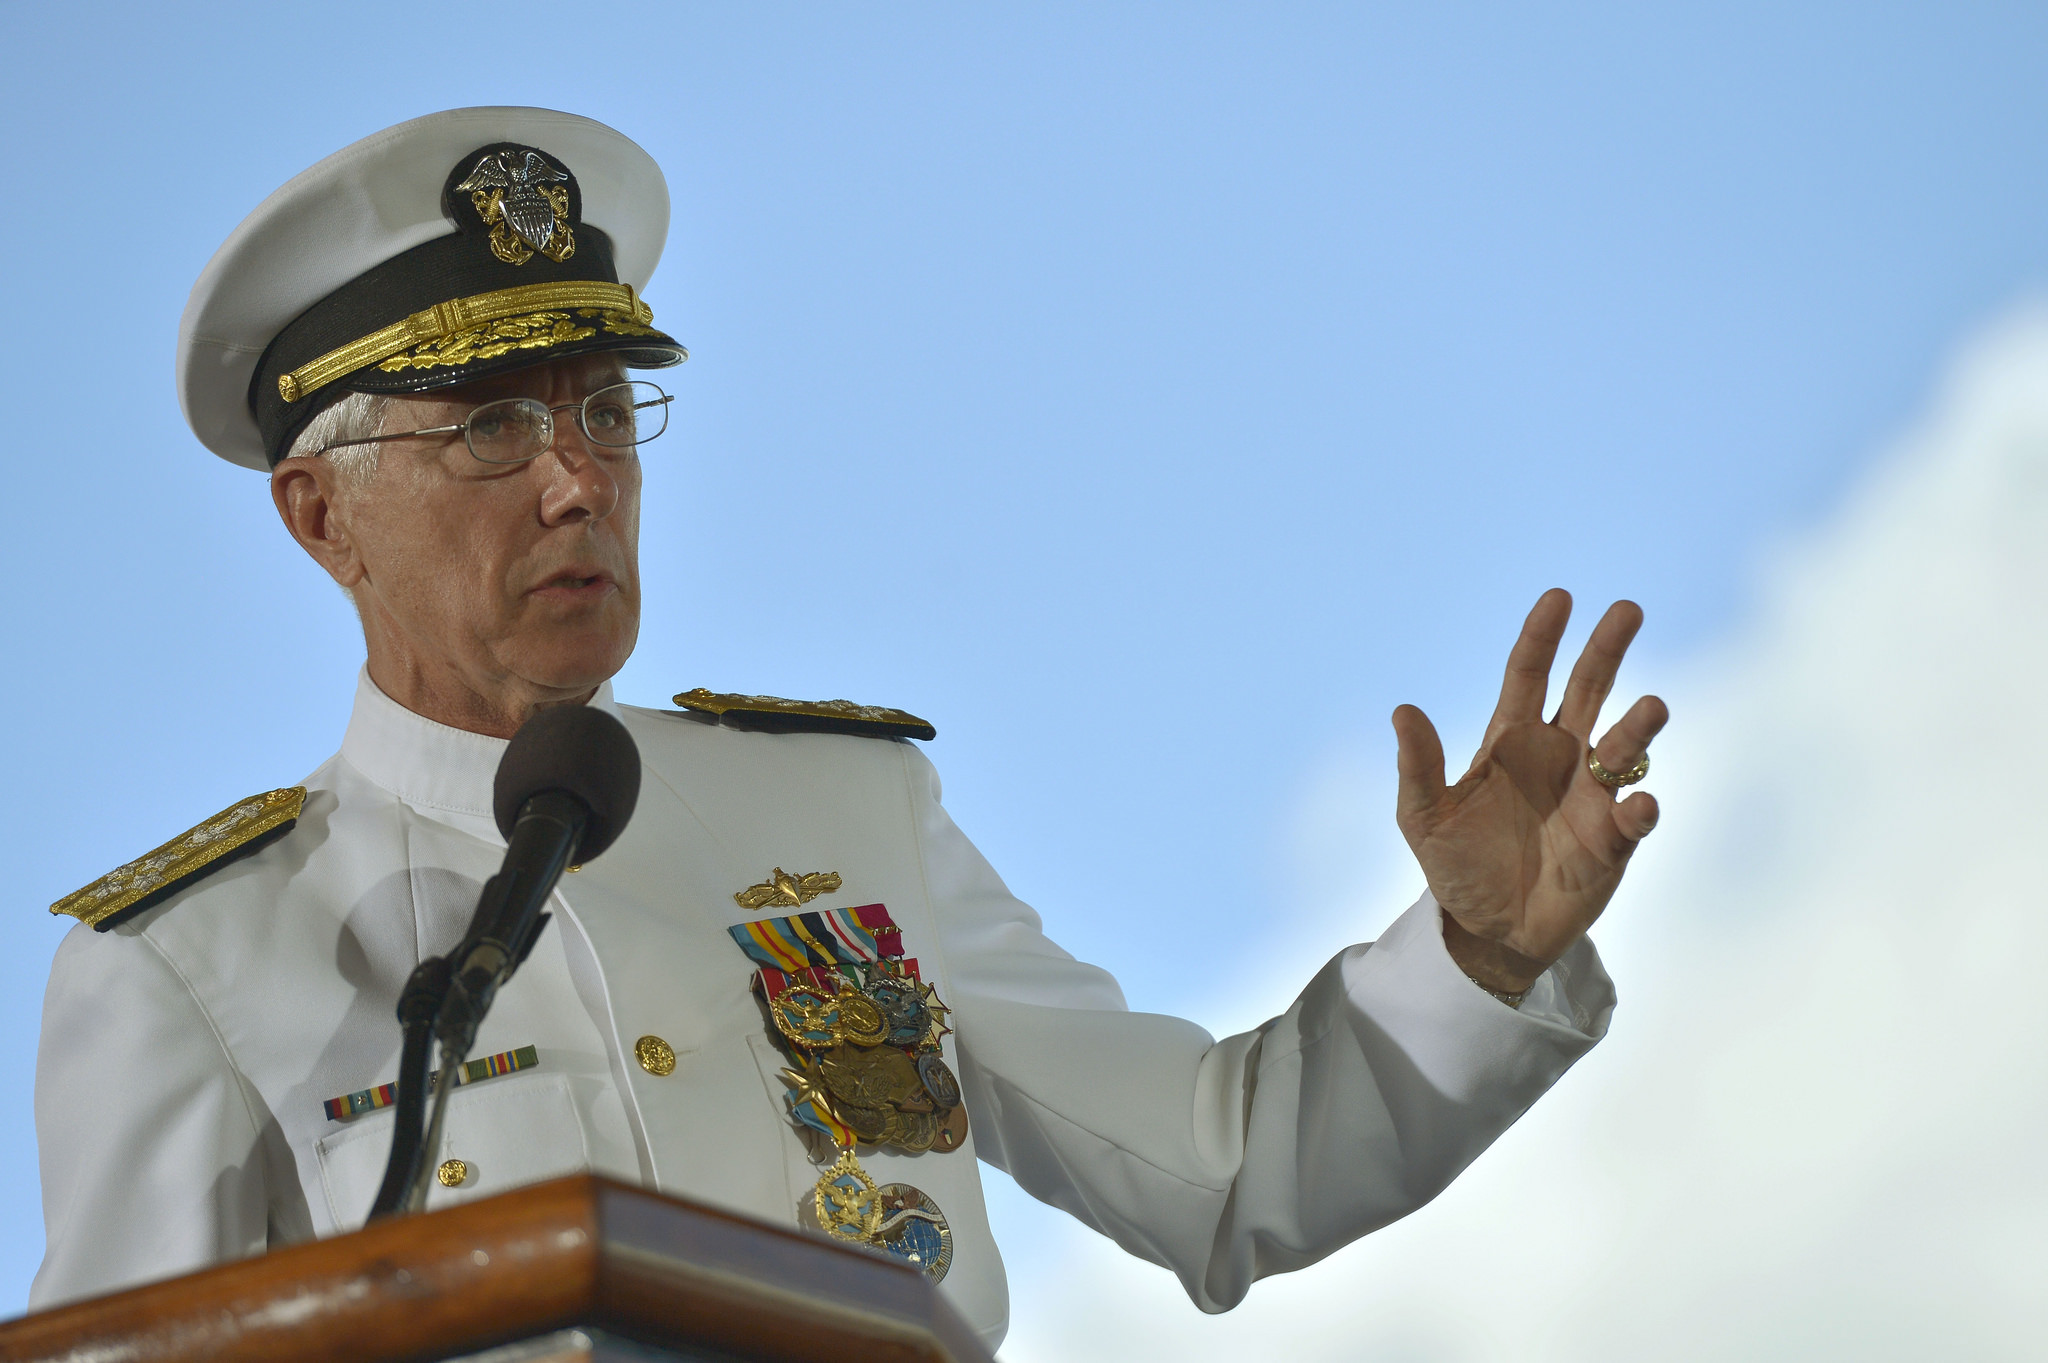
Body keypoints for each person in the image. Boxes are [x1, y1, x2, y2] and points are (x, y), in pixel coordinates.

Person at [30, 107, 1666, 1349]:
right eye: (492, 427)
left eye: (607, 411)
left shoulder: (843, 809)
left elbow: (1223, 1173)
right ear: (322, 517)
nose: (576, 478)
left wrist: (1479, 960)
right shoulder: (188, 963)